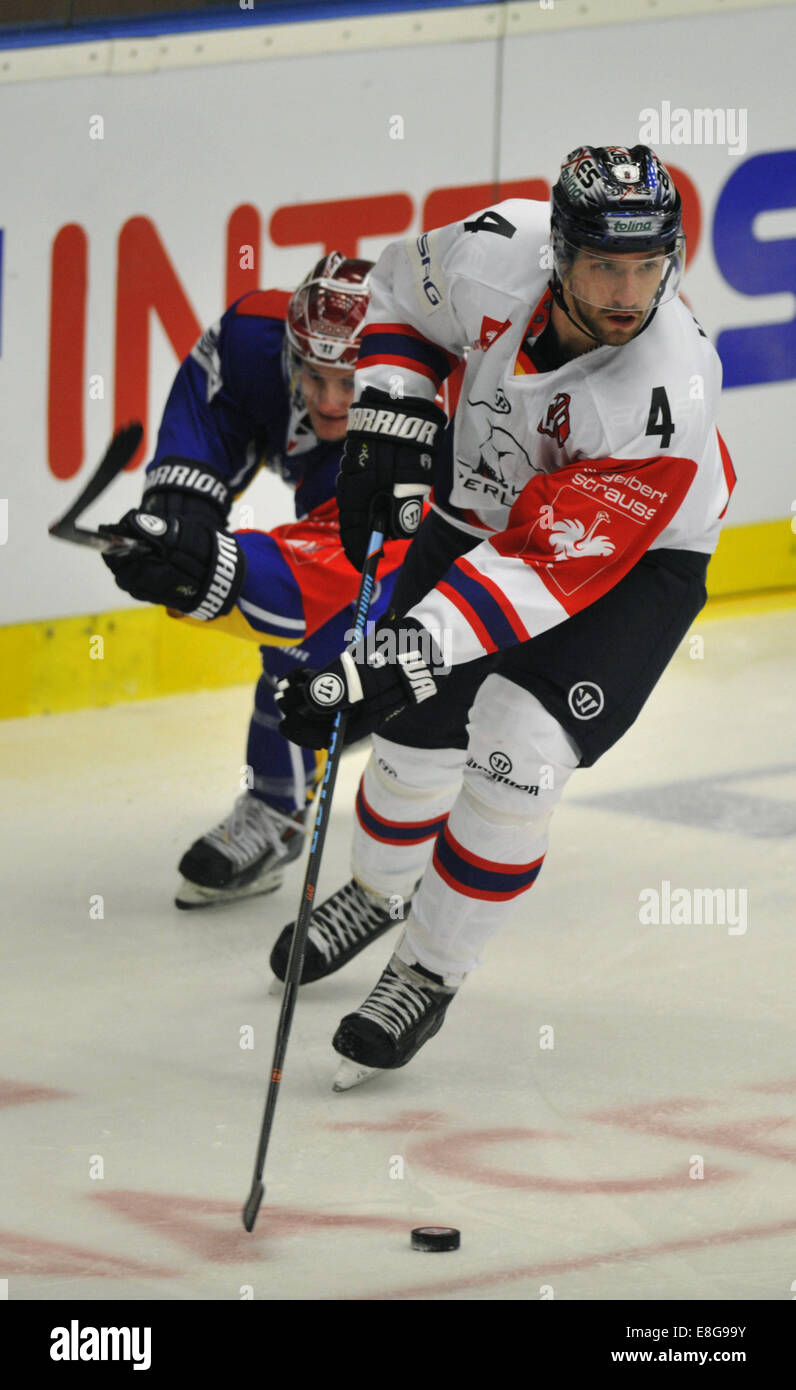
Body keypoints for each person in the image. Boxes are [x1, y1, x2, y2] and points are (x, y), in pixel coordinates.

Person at [273, 144, 737, 1090]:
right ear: (558, 252)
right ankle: (375, 892)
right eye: (606, 264)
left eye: (648, 266)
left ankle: (427, 971)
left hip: (638, 560)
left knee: (517, 751)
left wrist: (389, 658)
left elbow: (533, 577)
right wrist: (394, 410)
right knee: (412, 732)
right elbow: (397, 298)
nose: (627, 290)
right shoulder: (497, 246)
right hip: (486, 497)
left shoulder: (666, 393)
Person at [101, 253, 426, 911]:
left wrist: (199, 569)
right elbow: (210, 417)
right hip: (349, 511)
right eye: (312, 374)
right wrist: (181, 511)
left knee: (307, 646)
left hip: (457, 534)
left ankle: (277, 809)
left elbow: (312, 582)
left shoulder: (415, 421)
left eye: (348, 381)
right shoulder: (255, 336)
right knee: (316, 651)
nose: (328, 400)